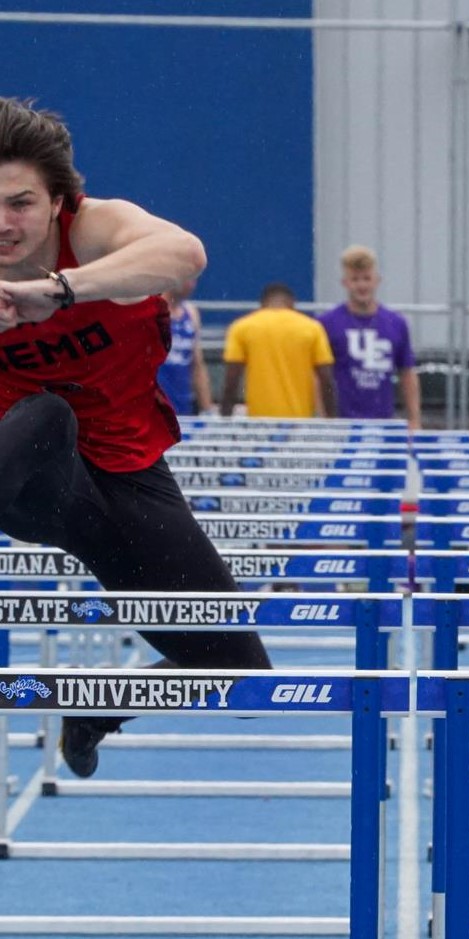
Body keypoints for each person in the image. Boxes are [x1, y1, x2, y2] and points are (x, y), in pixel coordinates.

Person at [0, 96, 272, 776]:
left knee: (238, 668)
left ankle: (98, 707)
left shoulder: (96, 229)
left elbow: (185, 253)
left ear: (59, 202)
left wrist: (60, 290)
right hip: (26, 471)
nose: (3, 223)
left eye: (20, 204)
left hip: (122, 467)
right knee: (48, 414)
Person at [318, 245, 420, 427]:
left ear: (377, 280)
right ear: (345, 282)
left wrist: (414, 419)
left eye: (366, 278)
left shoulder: (396, 323)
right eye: (355, 279)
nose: (362, 285)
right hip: (342, 424)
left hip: (384, 422)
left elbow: (407, 372)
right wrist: (323, 419)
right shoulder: (327, 323)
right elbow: (319, 376)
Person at [219, 282, 338, 419]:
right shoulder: (312, 328)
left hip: (260, 421)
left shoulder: (242, 327)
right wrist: (331, 418)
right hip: (300, 421)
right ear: (292, 304)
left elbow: (232, 378)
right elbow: (326, 378)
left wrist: (225, 416)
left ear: (262, 304)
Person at [156, 277, 213, 416]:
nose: (192, 285)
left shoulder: (191, 313)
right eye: (188, 278)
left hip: (182, 407)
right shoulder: (152, 311)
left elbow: (197, 365)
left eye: (194, 280)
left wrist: (207, 410)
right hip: (154, 408)